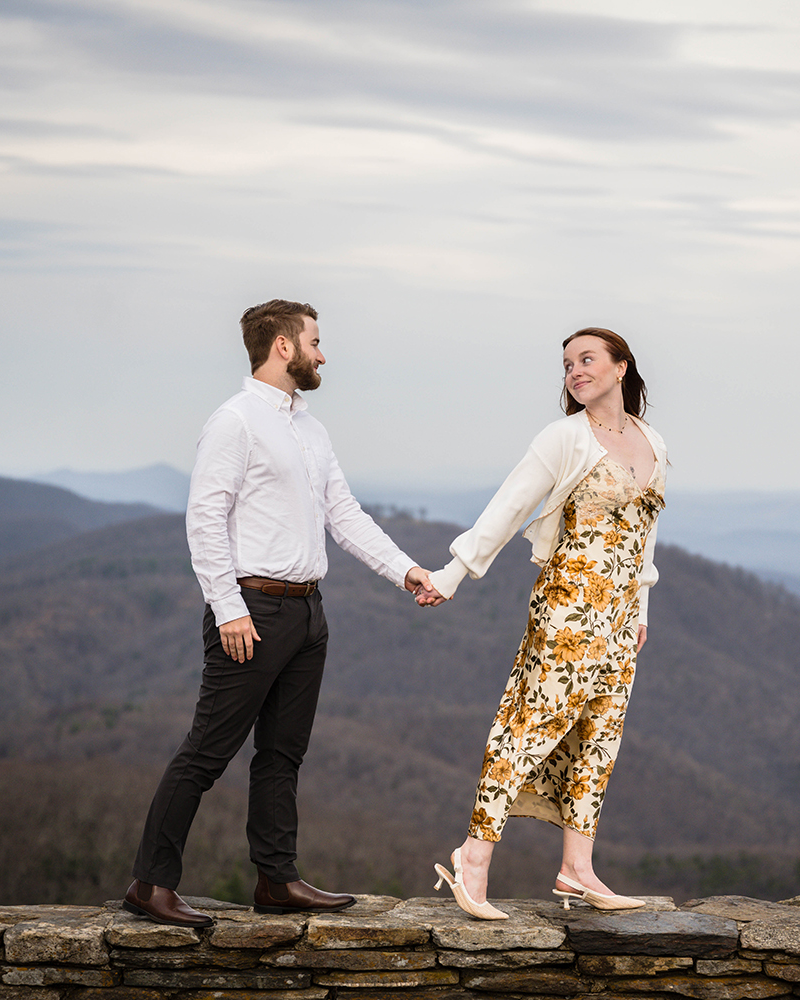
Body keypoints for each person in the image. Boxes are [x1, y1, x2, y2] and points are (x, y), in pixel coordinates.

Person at [124, 299, 443, 928]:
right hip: (251, 612)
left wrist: (405, 570)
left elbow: (344, 514)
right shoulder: (235, 422)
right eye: (316, 342)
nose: (324, 354)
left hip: (306, 615)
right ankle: (150, 884)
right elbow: (204, 520)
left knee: (282, 756)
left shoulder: (311, 429)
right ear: (283, 347)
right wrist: (228, 609)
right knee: (207, 752)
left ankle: (277, 880)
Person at [426, 327, 667, 920]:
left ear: (620, 366)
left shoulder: (654, 442)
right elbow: (509, 507)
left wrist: (639, 609)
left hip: (618, 617)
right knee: (531, 725)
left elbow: (646, 540)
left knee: (600, 737)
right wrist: (454, 572)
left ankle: (577, 869)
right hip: (566, 609)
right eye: (566, 365)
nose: (575, 372)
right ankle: (474, 857)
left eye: (587, 360)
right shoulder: (565, 437)